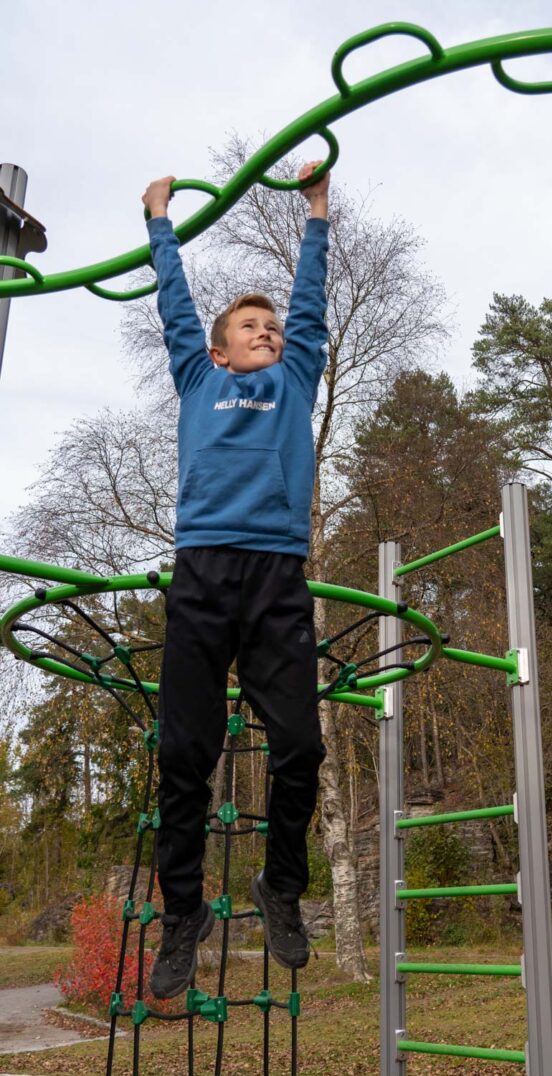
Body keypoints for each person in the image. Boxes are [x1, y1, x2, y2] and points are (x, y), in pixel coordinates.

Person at [142, 161, 330, 1000]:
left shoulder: (295, 380)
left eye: (274, 325)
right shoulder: (199, 377)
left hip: (276, 577)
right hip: (203, 571)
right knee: (185, 752)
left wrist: (318, 212)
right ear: (220, 348)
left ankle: (280, 888)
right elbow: (175, 304)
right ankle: (184, 915)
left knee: (302, 746)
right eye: (252, 324)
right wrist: (158, 220)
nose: (270, 331)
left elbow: (314, 303)